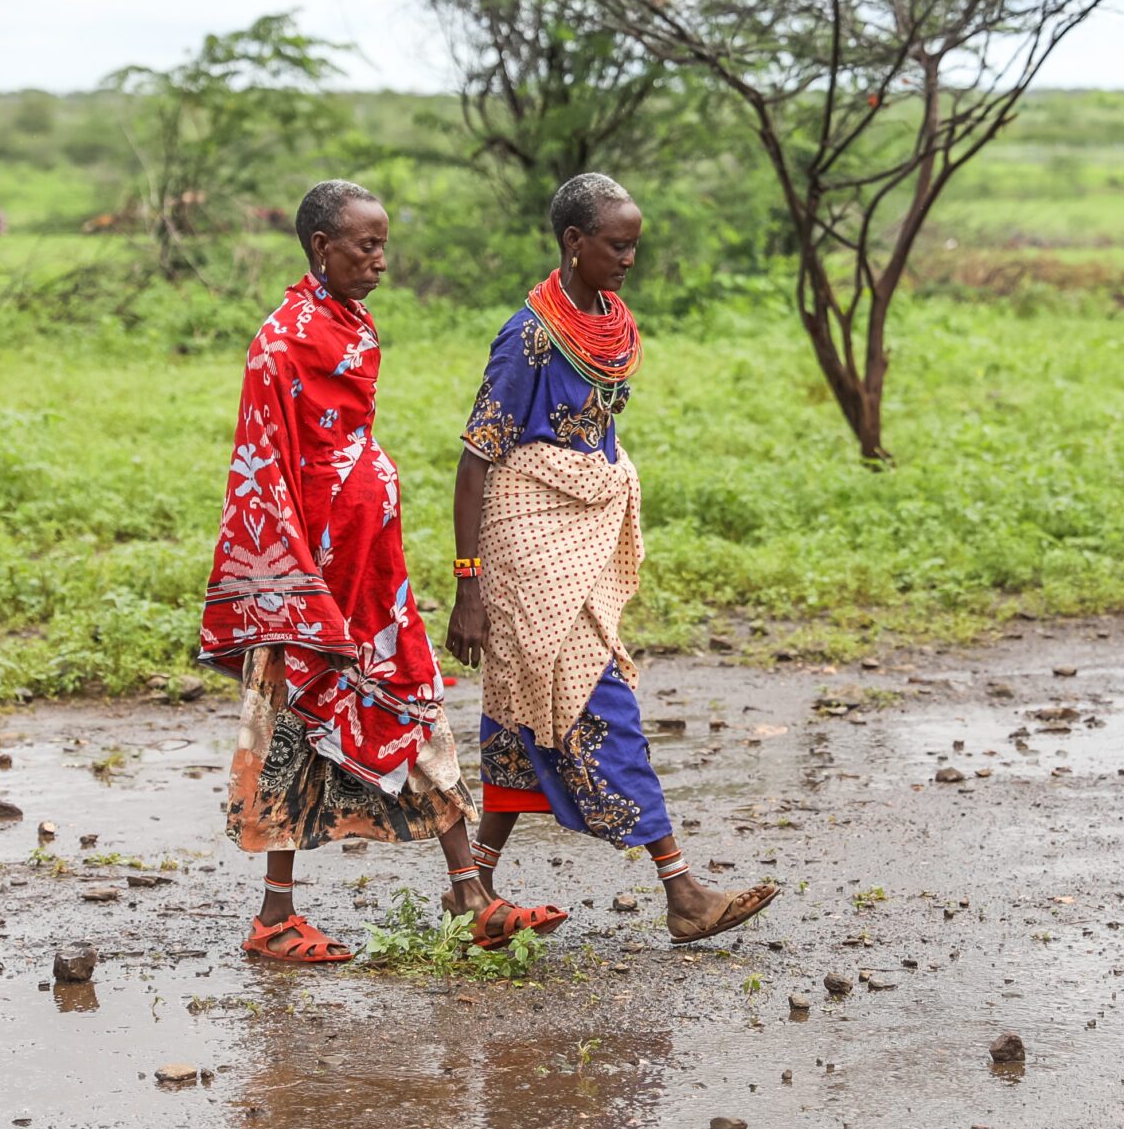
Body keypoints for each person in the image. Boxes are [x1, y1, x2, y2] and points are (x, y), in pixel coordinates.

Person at [200, 180, 564, 964]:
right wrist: (295, 589)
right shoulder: (283, 341)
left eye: (383, 244)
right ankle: (275, 917)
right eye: (366, 246)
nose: (382, 261)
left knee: (414, 711)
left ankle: (471, 893)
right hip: (308, 583)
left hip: (374, 575)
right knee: (291, 731)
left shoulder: (352, 326)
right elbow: (261, 469)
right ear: (322, 247)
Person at [443, 173, 778, 946]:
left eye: (634, 244)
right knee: (600, 700)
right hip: (528, 537)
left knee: (527, 707)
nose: (629, 257)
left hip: (583, 528)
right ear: (573, 241)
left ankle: (476, 887)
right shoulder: (526, 339)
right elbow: (474, 462)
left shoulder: (608, 325)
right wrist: (470, 586)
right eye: (616, 244)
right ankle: (683, 890)